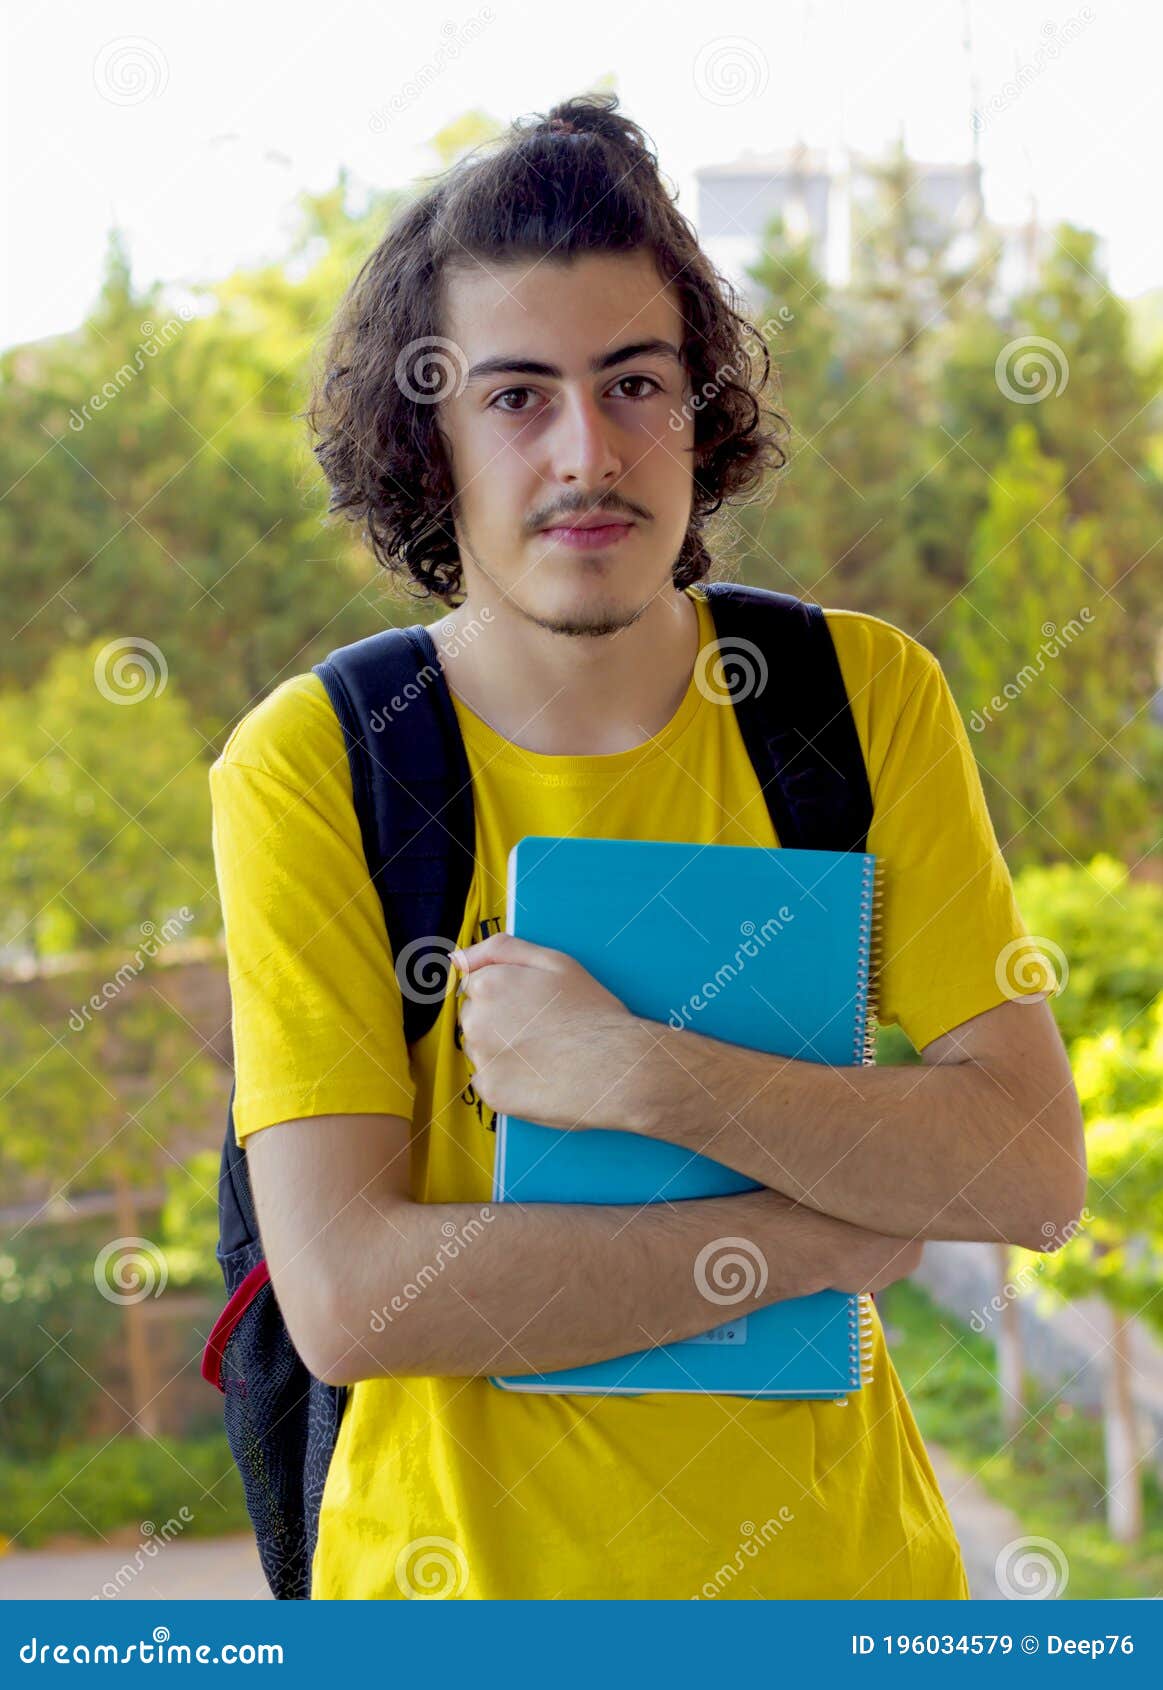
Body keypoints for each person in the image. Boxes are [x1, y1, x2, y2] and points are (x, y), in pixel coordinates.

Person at [209, 94, 1086, 1600]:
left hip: (842, 1599)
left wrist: (633, 1071)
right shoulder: (324, 758)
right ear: (431, 440)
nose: (587, 448)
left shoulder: (853, 703)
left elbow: (1028, 1168)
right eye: (515, 395)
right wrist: (821, 1231)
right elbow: (352, 1296)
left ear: (703, 409)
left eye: (635, 382)